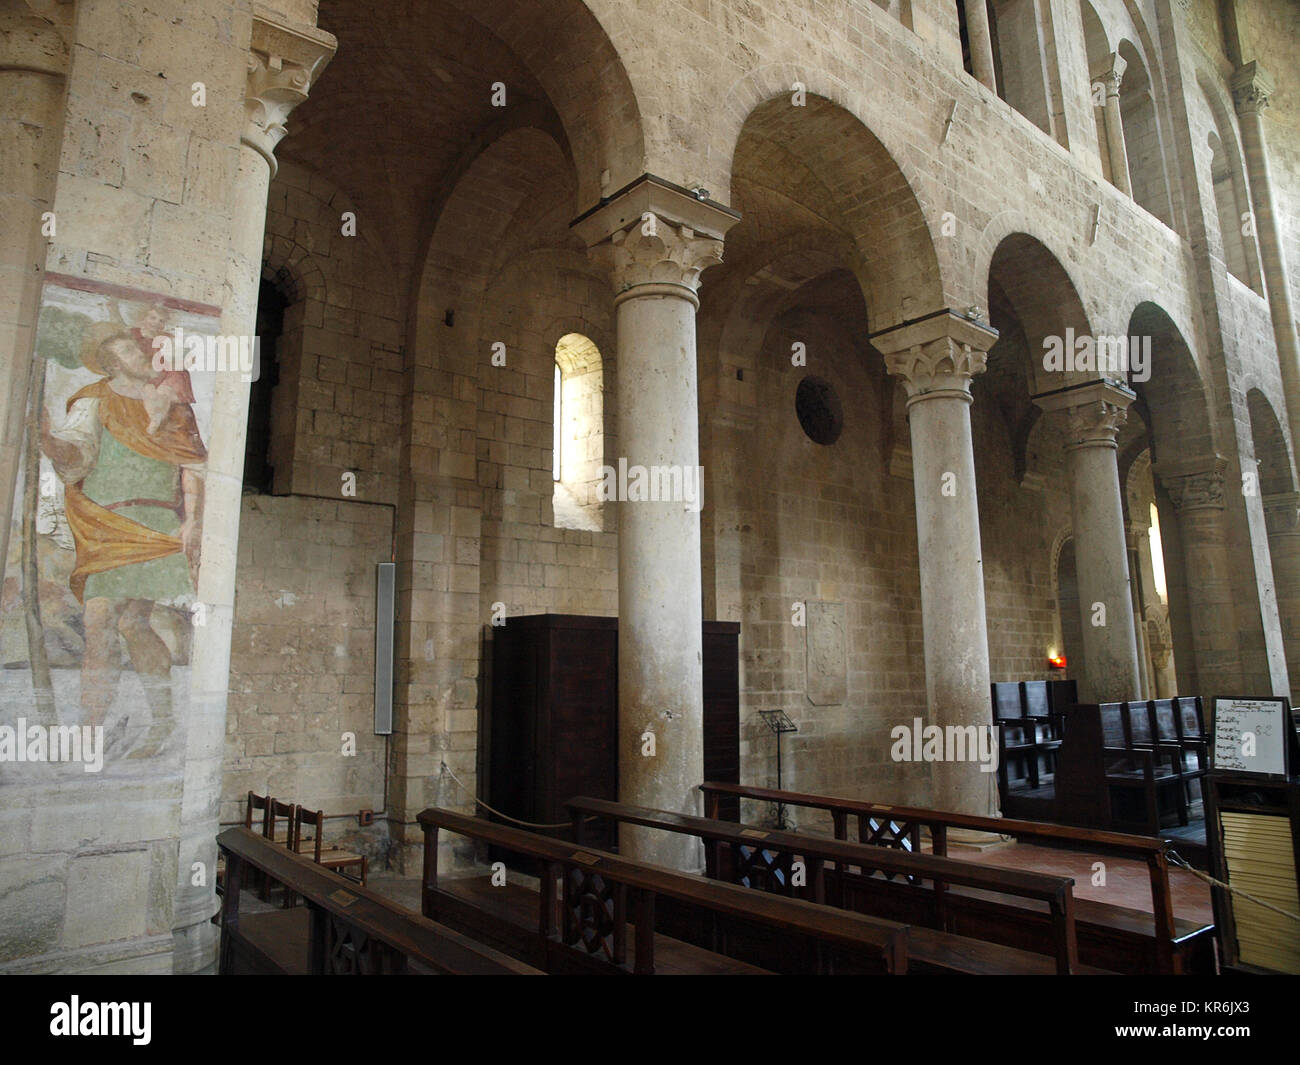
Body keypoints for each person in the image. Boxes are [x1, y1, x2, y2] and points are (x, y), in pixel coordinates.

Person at [41, 329, 207, 759]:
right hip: (105, 522)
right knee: (102, 622)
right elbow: (78, 456)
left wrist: (193, 521)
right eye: (132, 350)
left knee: (129, 622)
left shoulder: (172, 405)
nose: (144, 353)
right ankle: (91, 729)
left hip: (152, 524)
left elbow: (191, 464)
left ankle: (160, 723)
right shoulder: (95, 399)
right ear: (112, 363)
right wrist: (45, 439)